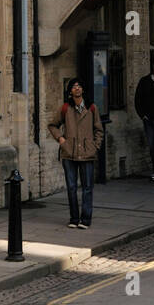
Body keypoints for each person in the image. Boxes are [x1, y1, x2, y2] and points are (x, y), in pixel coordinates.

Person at [48, 78, 105, 228]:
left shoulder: (92, 108)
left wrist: (95, 146)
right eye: (74, 87)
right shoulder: (66, 108)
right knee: (71, 187)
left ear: (83, 89)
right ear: (70, 91)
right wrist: (61, 139)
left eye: (79, 86)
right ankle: (74, 218)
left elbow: (99, 130)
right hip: (69, 153)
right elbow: (53, 125)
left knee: (87, 187)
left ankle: (85, 220)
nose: (77, 88)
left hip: (87, 153)